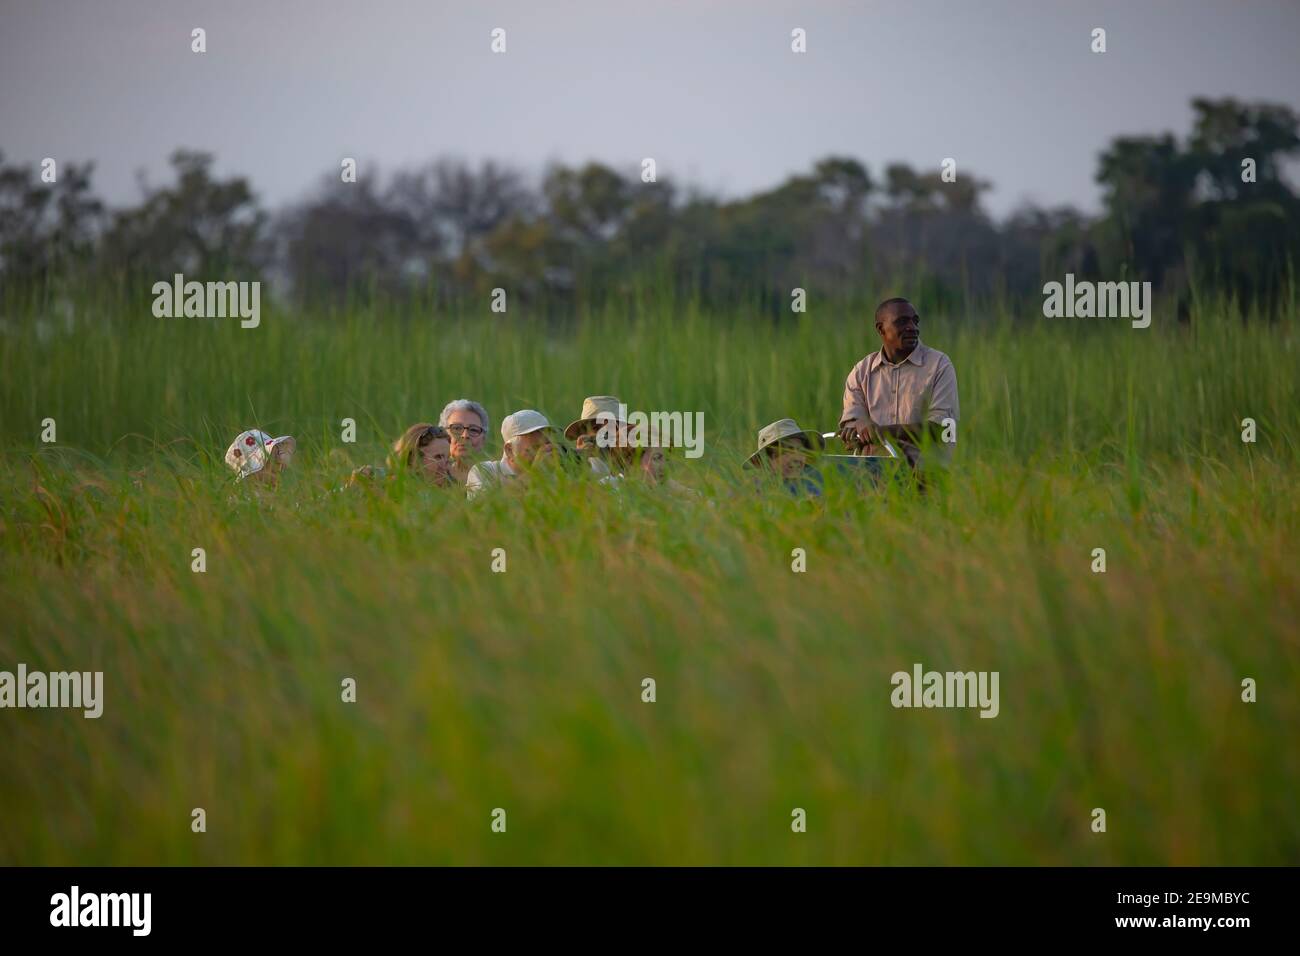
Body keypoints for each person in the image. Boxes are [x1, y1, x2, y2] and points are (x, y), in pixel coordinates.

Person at [838, 297, 959, 468]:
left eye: (915, 321)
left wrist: (882, 432)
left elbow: (943, 430)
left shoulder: (939, 365)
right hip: (872, 479)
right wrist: (856, 430)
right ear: (881, 329)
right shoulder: (861, 372)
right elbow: (852, 428)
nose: (913, 328)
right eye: (902, 322)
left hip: (926, 478)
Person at [465, 409, 558, 499]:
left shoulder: (554, 476)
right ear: (510, 450)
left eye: (547, 445)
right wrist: (534, 474)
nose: (544, 453)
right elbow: (482, 506)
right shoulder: (486, 471)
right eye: (536, 448)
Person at [348, 423, 455, 488]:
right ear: (414, 458)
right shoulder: (387, 483)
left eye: (448, 458)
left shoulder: (454, 490)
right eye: (438, 457)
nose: (445, 465)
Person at [745, 419, 825, 497]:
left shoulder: (816, 482)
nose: (796, 457)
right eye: (787, 451)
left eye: (801, 450)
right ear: (768, 460)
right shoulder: (758, 492)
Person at [564, 395, 628, 478]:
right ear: (584, 435)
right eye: (596, 428)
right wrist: (579, 460)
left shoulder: (639, 457)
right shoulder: (586, 466)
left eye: (612, 427)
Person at [439, 399, 491, 485]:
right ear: (442, 434)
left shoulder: (493, 478)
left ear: (483, 440)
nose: (465, 435)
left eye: (473, 430)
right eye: (456, 428)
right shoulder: (432, 477)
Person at [225, 429, 296, 489]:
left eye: (278, 453)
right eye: (272, 459)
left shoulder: (279, 495)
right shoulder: (241, 500)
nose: (281, 464)